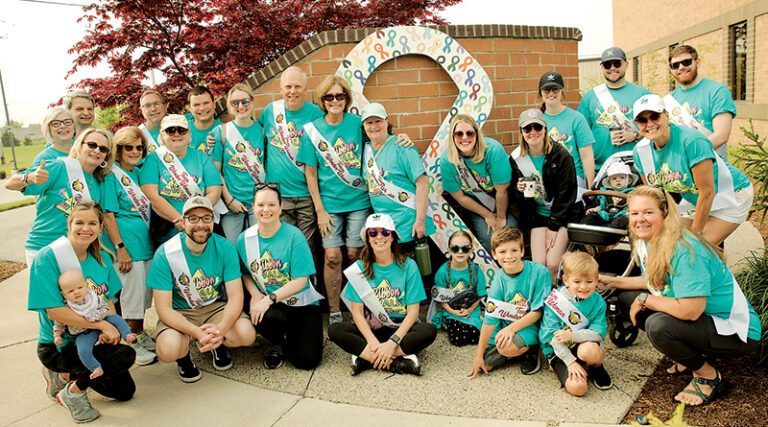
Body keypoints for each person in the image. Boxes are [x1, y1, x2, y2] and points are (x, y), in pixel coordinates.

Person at [600, 186, 761, 406]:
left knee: (658, 325)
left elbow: (690, 310)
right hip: (704, 320)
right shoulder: (649, 240)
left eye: (648, 212)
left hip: (735, 330)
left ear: (665, 213)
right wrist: (611, 282)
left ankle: (708, 376)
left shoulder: (685, 249)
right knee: (627, 299)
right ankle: (690, 354)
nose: (640, 219)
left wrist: (646, 300)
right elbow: (654, 281)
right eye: (635, 213)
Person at [29, 201, 136, 423]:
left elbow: (107, 300)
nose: (85, 228)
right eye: (79, 223)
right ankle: (73, 393)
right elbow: (54, 312)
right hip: (60, 346)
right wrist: (101, 325)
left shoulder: (103, 258)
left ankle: (66, 376)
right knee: (125, 355)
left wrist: (110, 330)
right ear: (69, 224)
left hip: (93, 338)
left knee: (125, 391)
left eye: (92, 223)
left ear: (100, 227)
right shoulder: (47, 258)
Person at [146, 196, 256, 383]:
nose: (200, 224)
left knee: (246, 334)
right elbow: (163, 308)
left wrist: (220, 330)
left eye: (206, 218)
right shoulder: (165, 254)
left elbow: (236, 297)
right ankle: (184, 356)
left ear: (213, 221)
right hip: (181, 311)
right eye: (193, 218)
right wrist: (197, 333)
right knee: (168, 350)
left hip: (213, 308)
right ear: (182, 222)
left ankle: (217, 344)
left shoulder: (225, 247)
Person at [298, 75, 372, 325]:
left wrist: (402, 138)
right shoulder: (312, 130)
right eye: (329, 96)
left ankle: (359, 307)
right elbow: (310, 173)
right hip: (328, 205)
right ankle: (334, 311)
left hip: (358, 201)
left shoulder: (358, 125)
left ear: (346, 98)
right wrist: (320, 210)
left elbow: (381, 140)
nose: (334, 100)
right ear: (322, 100)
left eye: (340, 96)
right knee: (332, 257)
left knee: (354, 253)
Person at [631, 94, 753, 245]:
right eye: (642, 120)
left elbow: (707, 192)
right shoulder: (641, 151)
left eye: (655, 116)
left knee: (695, 248)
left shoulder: (692, 141)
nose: (649, 124)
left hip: (731, 194)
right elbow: (655, 197)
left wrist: (696, 233)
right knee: (668, 243)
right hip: (694, 197)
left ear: (666, 116)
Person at [328, 213, 437, 376]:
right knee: (335, 330)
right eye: (373, 233)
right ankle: (396, 360)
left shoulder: (409, 266)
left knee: (428, 331)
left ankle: (368, 358)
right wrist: (372, 341)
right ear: (368, 239)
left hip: (400, 329)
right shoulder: (360, 267)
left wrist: (392, 342)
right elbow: (357, 313)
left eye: (385, 232)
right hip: (371, 329)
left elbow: (413, 312)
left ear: (393, 237)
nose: (379, 237)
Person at [236, 183, 324, 370]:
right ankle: (278, 342)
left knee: (307, 361)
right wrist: (255, 295)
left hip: (300, 301)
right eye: (260, 205)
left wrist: (269, 299)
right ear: (253, 207)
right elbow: (244, 273)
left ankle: (292, 335)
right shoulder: (244, 239)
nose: (266, 210)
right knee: (265, 314)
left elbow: (300, 281)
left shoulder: (294, 236)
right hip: (270, 305)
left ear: (280, 207)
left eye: (271, 205)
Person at [5, 128, 118, 266]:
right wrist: (29, 178)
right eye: (91, 145)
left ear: (106, 156)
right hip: (45, 247)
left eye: (103, 149)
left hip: (77, 250)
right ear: (80, 145)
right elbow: (9, 183)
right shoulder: (60, 167)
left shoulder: (99, 180)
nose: (96, 151)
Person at [101, 126, 157, 365]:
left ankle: (140, 334)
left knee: (143, 297)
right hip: (127, 248)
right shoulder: (111, 175)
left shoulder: (140, 172)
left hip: (145, 244)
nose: (135, 151)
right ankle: (130, 342)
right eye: (128, 147)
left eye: (139, 147)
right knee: (130, 298)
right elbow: (108, 215)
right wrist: (120, 248)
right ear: (118, 149)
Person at [510, 109, 581, 281]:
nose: (533, 132)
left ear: (545, 129)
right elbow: (518, 199)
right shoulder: (516, 159)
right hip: (538, 216)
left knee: (552, 264)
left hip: (563, 215)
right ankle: (543, 296)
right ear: (521, 132)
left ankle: (554, 294)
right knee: (539, 264)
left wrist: (553, 226)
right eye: (527, 129)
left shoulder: (561, 155)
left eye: (537, 127)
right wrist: (519, 190)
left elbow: (567, 194)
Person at [468, 227, 548, 378]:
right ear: (494, 254)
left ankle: (531, 348)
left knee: (506, 348)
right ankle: (513, 347)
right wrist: (478, 355)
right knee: (485, 363)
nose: (509, 256)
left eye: (514, 250)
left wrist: (511, 329)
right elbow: (490, 318)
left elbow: (538, 312)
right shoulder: (498, 279)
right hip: (506, 323)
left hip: (530, 324)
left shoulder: (539, 272)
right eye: (503, 252)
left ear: (522, 251)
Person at [257, 66, 323, 243]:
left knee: (307, 246)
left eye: (297, 86)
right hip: (278, 194)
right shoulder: (270, 111)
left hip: (307, 194)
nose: (292, 91)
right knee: (284, 244)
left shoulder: (316, 114)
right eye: (288, 87)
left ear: (305, 90)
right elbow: (251, 135)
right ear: (281, 89)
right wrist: (215, 138)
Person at [361, 103, 435, 252]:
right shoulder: (366, 151)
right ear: (364, 126)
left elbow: (422, 182)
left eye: (378, 121)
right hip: (385, 229)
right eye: (369, 122)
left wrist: (420, 221)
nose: (374, 126)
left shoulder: (402, 147)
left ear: (386, 122)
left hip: (410, 225)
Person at [140, 114, 223, 246]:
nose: (176, 134)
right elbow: (152, 196)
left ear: (189, 134)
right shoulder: (153, 159)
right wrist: (181, 220)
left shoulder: (201, 157)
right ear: (162, 135)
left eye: (181, 130)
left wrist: (196, 218)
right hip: (168, 230)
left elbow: (215, 191)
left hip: (200, 227)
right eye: (171, 130)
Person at [439, 114, 516, 252]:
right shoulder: (447, 161)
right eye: (459, 134)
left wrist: (501, 218)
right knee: (488, 239)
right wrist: (488, 215)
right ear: (452, 137)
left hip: (505, 199)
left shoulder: (493, 150)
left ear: (476, 134)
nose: (464, 137)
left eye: (469, 133)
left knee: (508, 235)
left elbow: (502, 190)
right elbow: (461, 198)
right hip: (478, 204)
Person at [540, 251, 611, 396]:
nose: (583, 287)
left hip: (583, 345)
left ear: (596, 280)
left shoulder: (598, 302)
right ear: (566, 280)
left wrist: (572, 335)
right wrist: (570, 362)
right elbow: (550, 336)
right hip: (559, 351)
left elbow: (597, 334)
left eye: (589, 282)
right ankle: (564, 367)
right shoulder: (556, 300)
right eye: (577, 282)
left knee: (590, 351)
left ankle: (596, 367)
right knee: (578, 389)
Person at [53, 270, 137, 380]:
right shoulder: (68, 308)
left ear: (86, 286)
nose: (76, 292)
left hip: (103, 321)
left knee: (116, 318)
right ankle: (95, 367)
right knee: (83, 350)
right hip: (84, 333)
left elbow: (105, 308)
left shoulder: (94, 298)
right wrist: (57, 336)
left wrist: (96, 316)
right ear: (64, 295)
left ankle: (127, 334)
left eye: (80, 288)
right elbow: (59, 323)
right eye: (71, 291)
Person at [578, 47, 651, 171]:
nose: (612, 68)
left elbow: (657, 128)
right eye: (607, 65)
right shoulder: (590, 97)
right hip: (600, 169)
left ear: (626, 65)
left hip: (636, 166)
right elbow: (580, 134)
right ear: (602, 67)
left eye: (617, 64)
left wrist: (635, 135)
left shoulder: (642, 94)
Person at [209, 83, 266, 244]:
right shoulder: (221, 132)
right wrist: (229, 200)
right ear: (229, 106)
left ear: (252, 102)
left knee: (257, 248)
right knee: (233, 250)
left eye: (245, 101)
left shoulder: (262, 131)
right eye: (235, 103)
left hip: (258, 203)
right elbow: (215, 172)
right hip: (231, 204)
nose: (240, 106)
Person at [667, 45, 736, 160]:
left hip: (712, 163)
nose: (681, 67)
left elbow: (721, 136)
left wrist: (689, 156)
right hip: (680, 166)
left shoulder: (717, 91)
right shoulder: (669, 100)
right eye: (675, 65)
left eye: (686, 62)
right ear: (671, 69)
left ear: (697, 62)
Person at [539, 71, 596, 192]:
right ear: (541, 92)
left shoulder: (576, 118)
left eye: (555, 89)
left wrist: (591, 188)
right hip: (546, 178)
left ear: (562, 91)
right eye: (546, 90)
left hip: (573, 178)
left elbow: (587, 155)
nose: (551, 93)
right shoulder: (537, 120)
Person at [428, 230, 486, 346]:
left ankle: (476, 320)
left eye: (465, 248)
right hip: (451, 310)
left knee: (479, 336)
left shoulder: (476, 270)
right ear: (449, 250)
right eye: (455, 248)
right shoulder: (442, 272)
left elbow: (480, 294)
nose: (460, 252)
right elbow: (440, 298)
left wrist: (470, 310)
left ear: (471, 250)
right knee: (458, 339)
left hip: (471, 310)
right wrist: (452, 312)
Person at [582, 162, 637, 229]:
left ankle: (610, 233)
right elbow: (602, 205)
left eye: (622, 178)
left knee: (623, 220)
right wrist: (594, 209)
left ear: (629, 181)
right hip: (606, 214)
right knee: (591, 216)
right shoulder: (605, 192)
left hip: (623, 214)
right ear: (609, 182)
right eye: (614, 178)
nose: (618, 180)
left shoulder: (633, 193)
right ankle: (584, 231)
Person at [187, 86, 223, 153]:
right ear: (190, 109)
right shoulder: (181, 131)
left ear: (214, 104)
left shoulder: (224, 130)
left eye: (206, 103)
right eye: (196, 105)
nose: (202, 108)